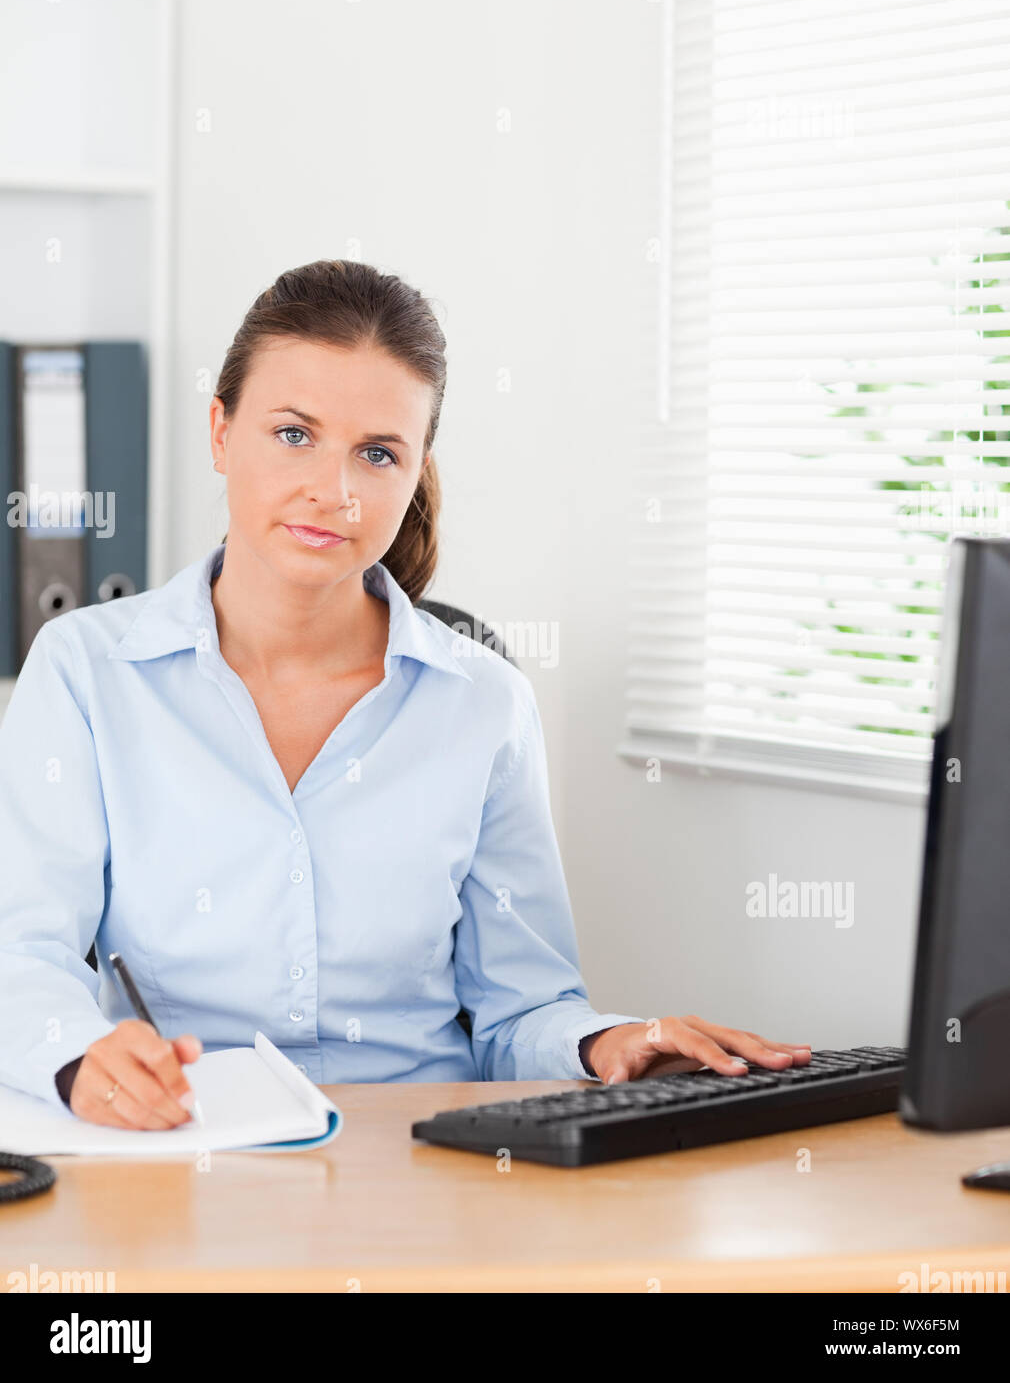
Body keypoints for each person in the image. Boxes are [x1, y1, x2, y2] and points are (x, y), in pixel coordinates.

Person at [0, 259, 810, 1129]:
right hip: (181, 1145)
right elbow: (23, 955)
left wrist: (605, 1043)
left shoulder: (483, 703)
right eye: (293, 434)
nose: (333, 492)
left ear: (416, 468)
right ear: (220, 432)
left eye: (377, 454)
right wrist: (80, 1055)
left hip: (424, 1155)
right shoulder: (88, 671)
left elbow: (521, 1008)